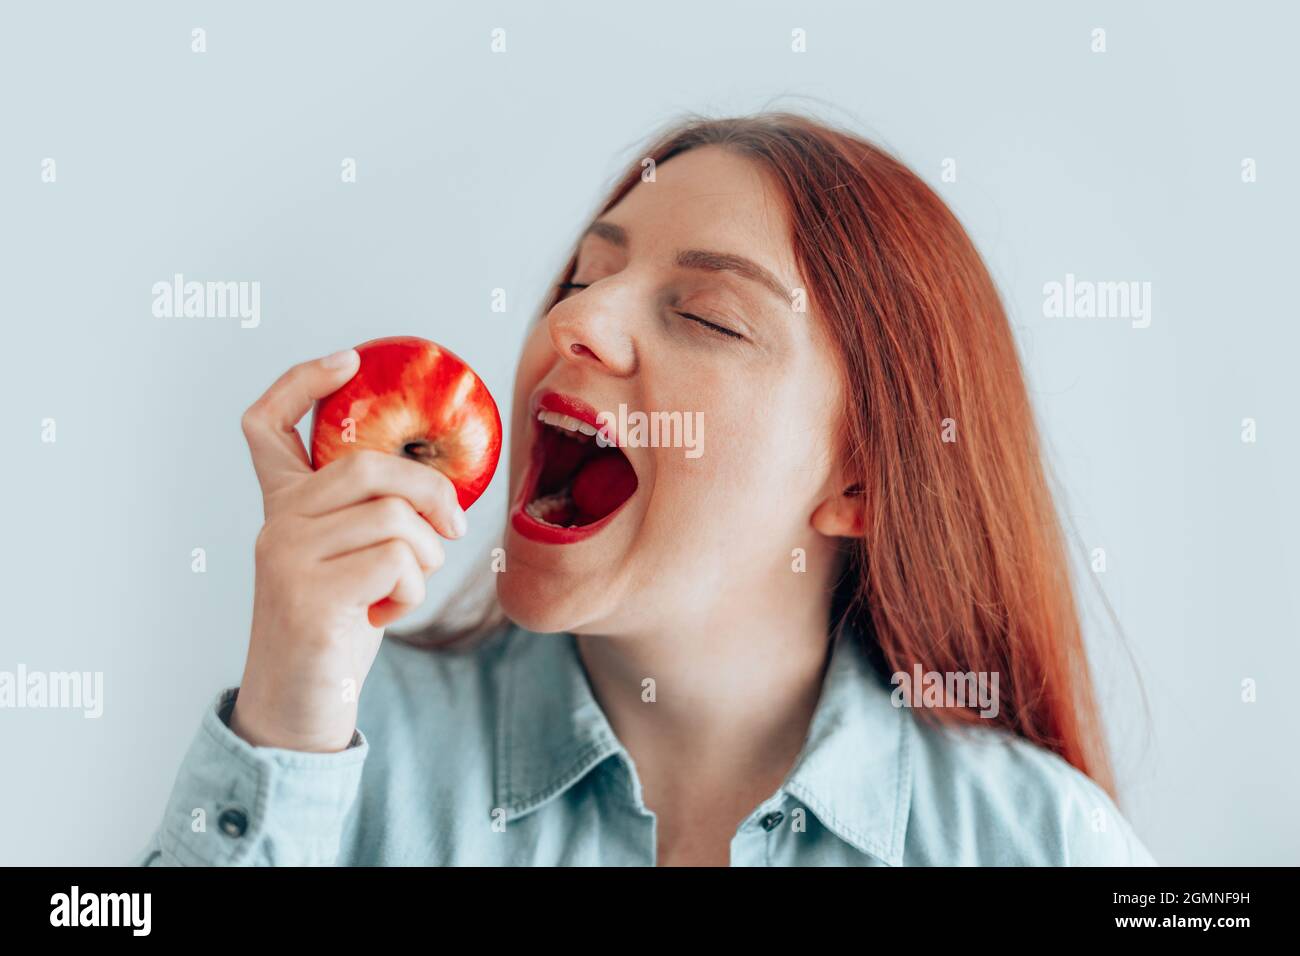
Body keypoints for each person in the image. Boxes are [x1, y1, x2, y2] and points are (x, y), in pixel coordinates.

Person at [135, 112, 1156, 866]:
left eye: (708, 316)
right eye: (582, 277)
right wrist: (290, 720)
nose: (573, 323)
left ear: (862, 479)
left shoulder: (1040, 841)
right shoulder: (331, 747)